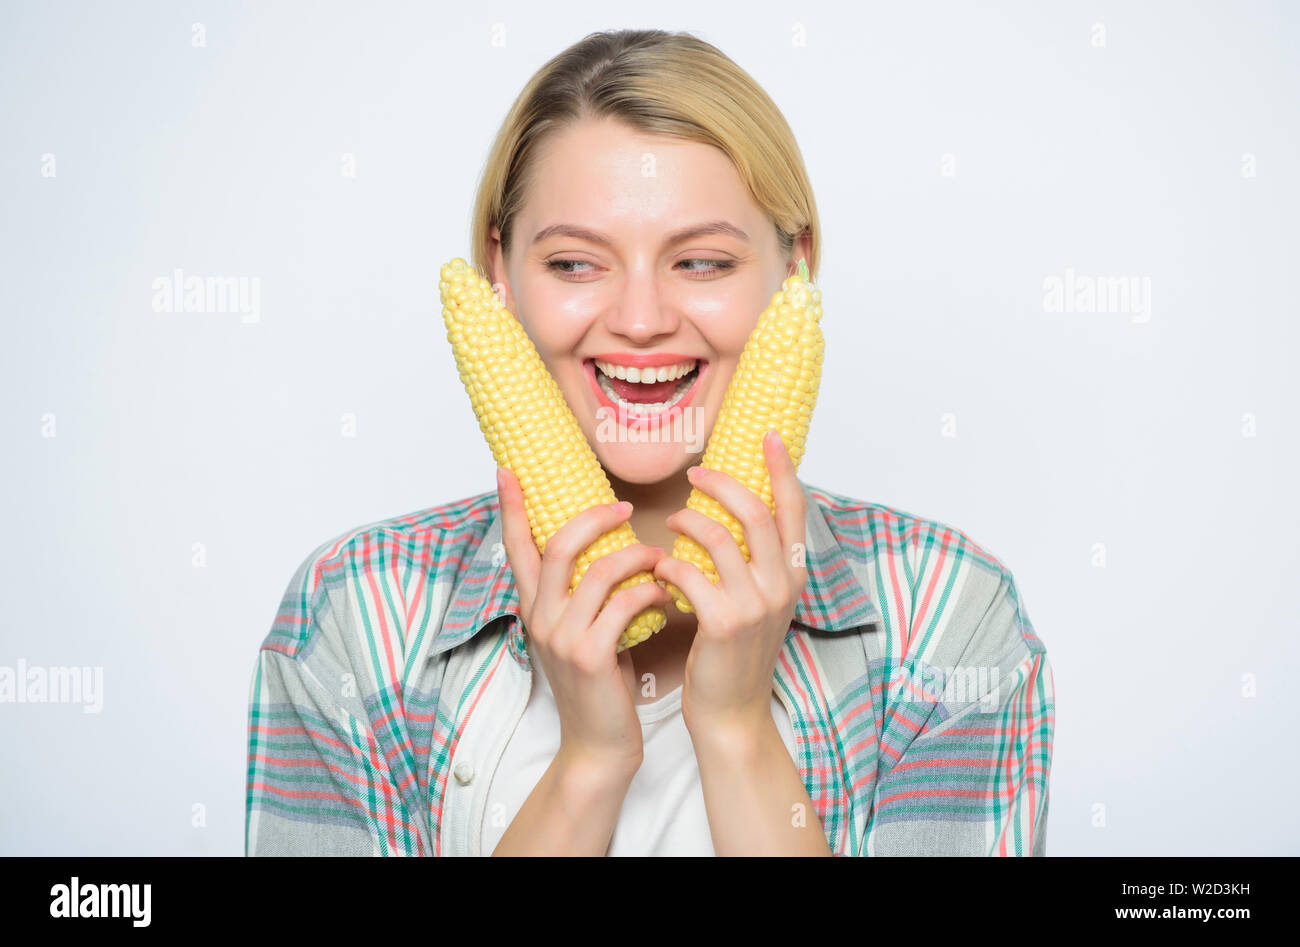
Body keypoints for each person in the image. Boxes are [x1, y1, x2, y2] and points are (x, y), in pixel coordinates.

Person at [245, 28, 1055, 857]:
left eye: (701, 263)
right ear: (502, 274)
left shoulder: (948, 619)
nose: (639, 320)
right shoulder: (355, 619)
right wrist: (590, 762)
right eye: (574, 264)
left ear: (795, 269)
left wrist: (737, 730)